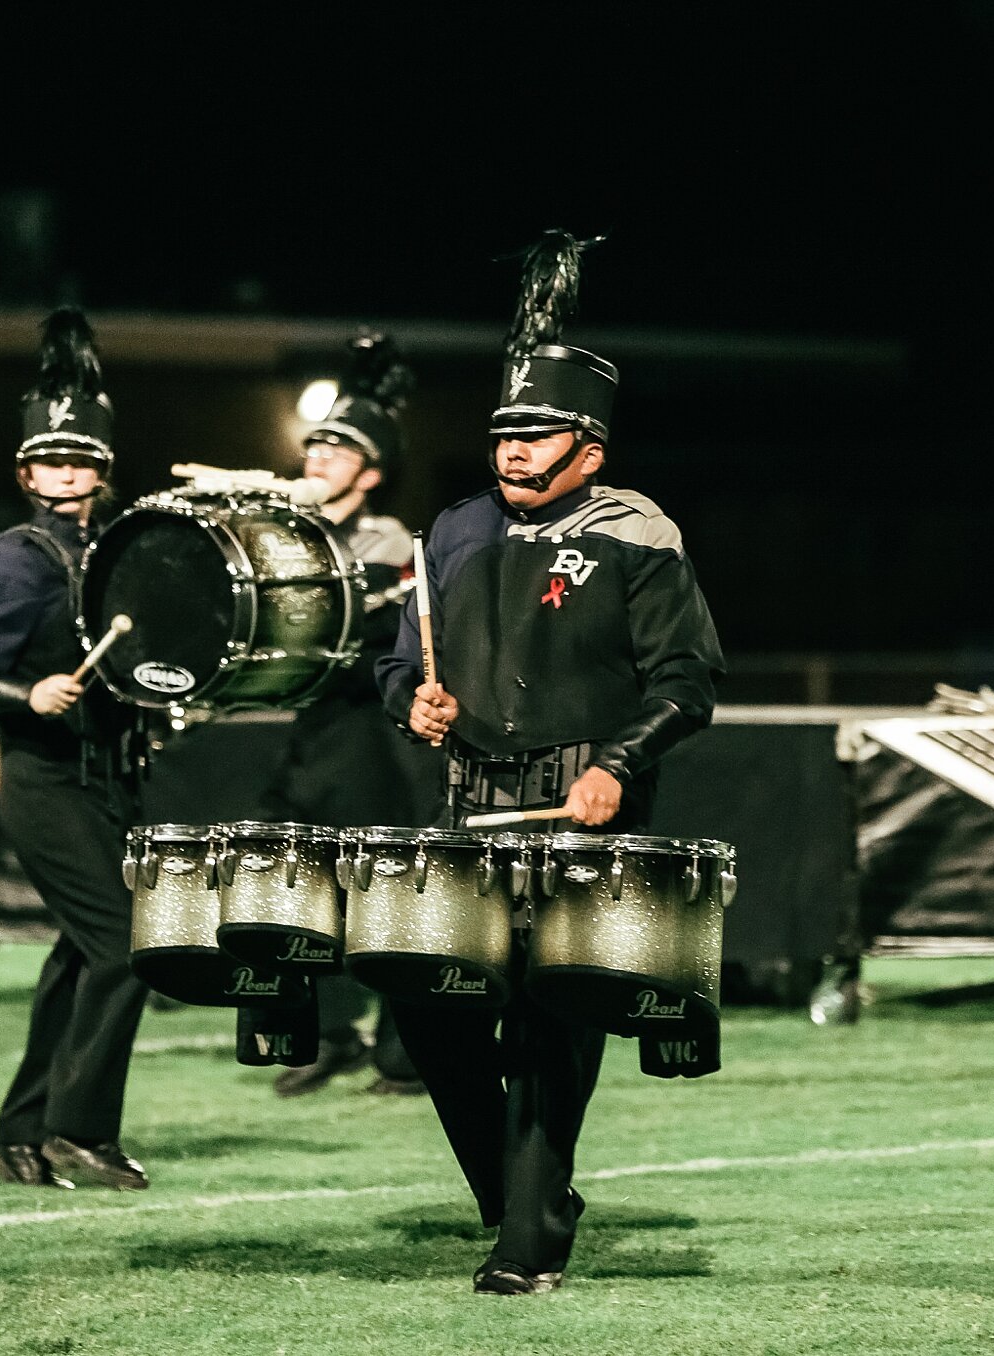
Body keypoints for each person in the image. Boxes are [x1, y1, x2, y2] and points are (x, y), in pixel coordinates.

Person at [377, 232, 724, 1295]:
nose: (515, 451)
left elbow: (688, 681)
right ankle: (522, 1196)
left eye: (539, 435)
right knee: (426, 1008)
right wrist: (414, 701)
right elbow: (397, 665)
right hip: (468, 804)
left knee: (546, 1026)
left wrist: (619, 765)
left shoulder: (640, 533)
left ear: (591, 449)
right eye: (506, 434)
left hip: (584, 809)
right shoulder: (451, 530)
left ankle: (527, 1246)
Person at [0, 309, 152, 1192]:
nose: (67, 475)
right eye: (51, 462)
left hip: (108, 779)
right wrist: (26, 694)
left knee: (81, 951)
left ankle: (21, 1134)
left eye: (81, 461)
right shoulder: (17, 558)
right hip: (45, 779)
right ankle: (79, 1130)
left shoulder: (116, 548)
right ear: (27, 473)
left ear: (102, 471)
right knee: (125, 945)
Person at [257, 333, 434, 1097]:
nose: (318, 459)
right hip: (314, 733)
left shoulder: (388, 545)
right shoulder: (286, 536)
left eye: (339, 452)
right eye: (315, 448)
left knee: (381, 892)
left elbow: (388, 650)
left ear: (372, 473)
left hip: (373, 739)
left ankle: (404, 1051)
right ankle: (330, 1034)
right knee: (298, 887)